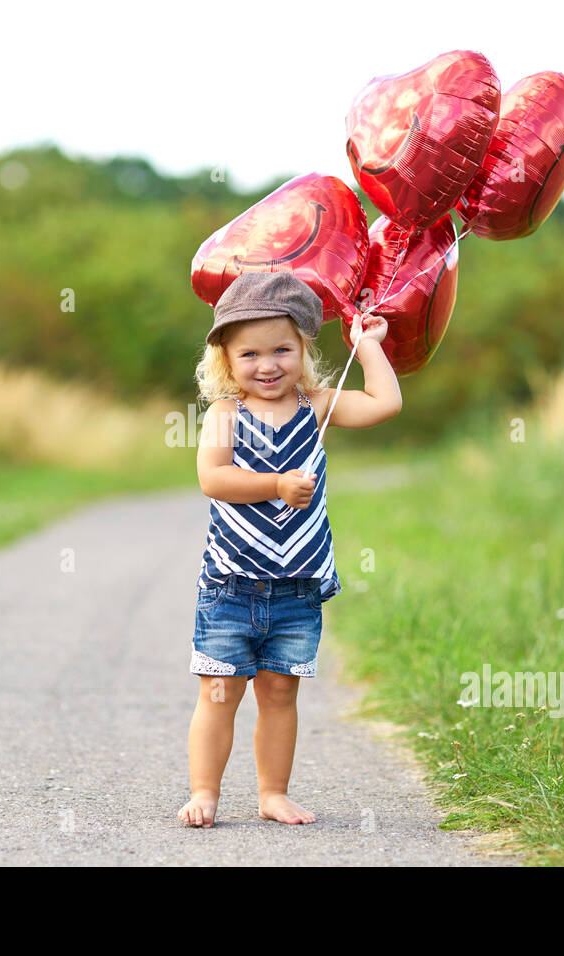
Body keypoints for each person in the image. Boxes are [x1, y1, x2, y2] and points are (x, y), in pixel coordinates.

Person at [179, 270, 401, 828]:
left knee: (280, 695)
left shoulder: (319, 405)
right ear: (226, 361)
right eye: (250, 353)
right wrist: (276, 485)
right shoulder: (227, 415)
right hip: (231, 586)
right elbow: (213, 478)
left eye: (282, 348)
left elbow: (384, 405)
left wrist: (368, 346)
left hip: (297, 589)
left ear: (303, 348)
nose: (268, 364)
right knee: (219, 694)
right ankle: (204, 791)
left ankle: (273, 794)